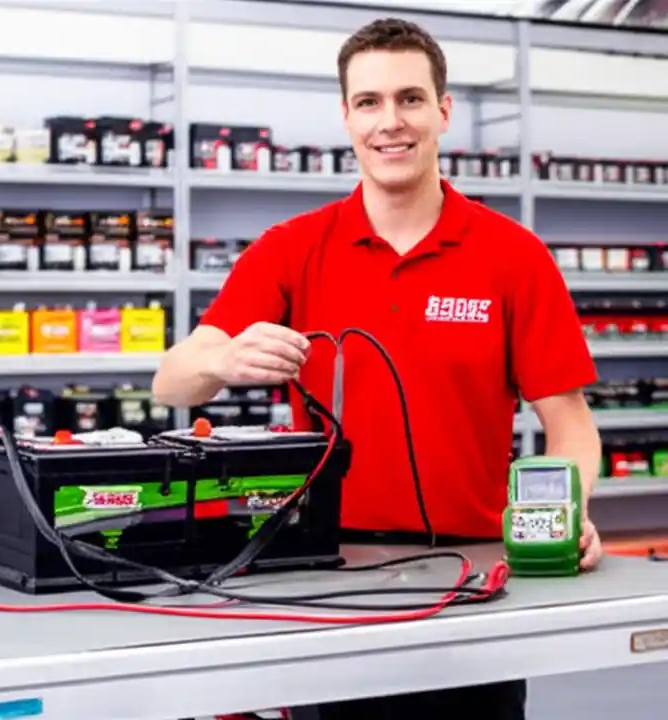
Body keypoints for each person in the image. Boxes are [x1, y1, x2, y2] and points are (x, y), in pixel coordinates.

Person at [151, 17, 604, 720]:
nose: (390, 122)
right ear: (346, 116)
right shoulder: (289, 249)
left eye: (410, 99)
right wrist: (222, 359)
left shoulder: (515, 258)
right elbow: (170, 381)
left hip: (474, 580)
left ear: (443, 111)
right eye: (369, 102)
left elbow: (570, 424)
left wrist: (565, 507)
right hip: (320, 579)